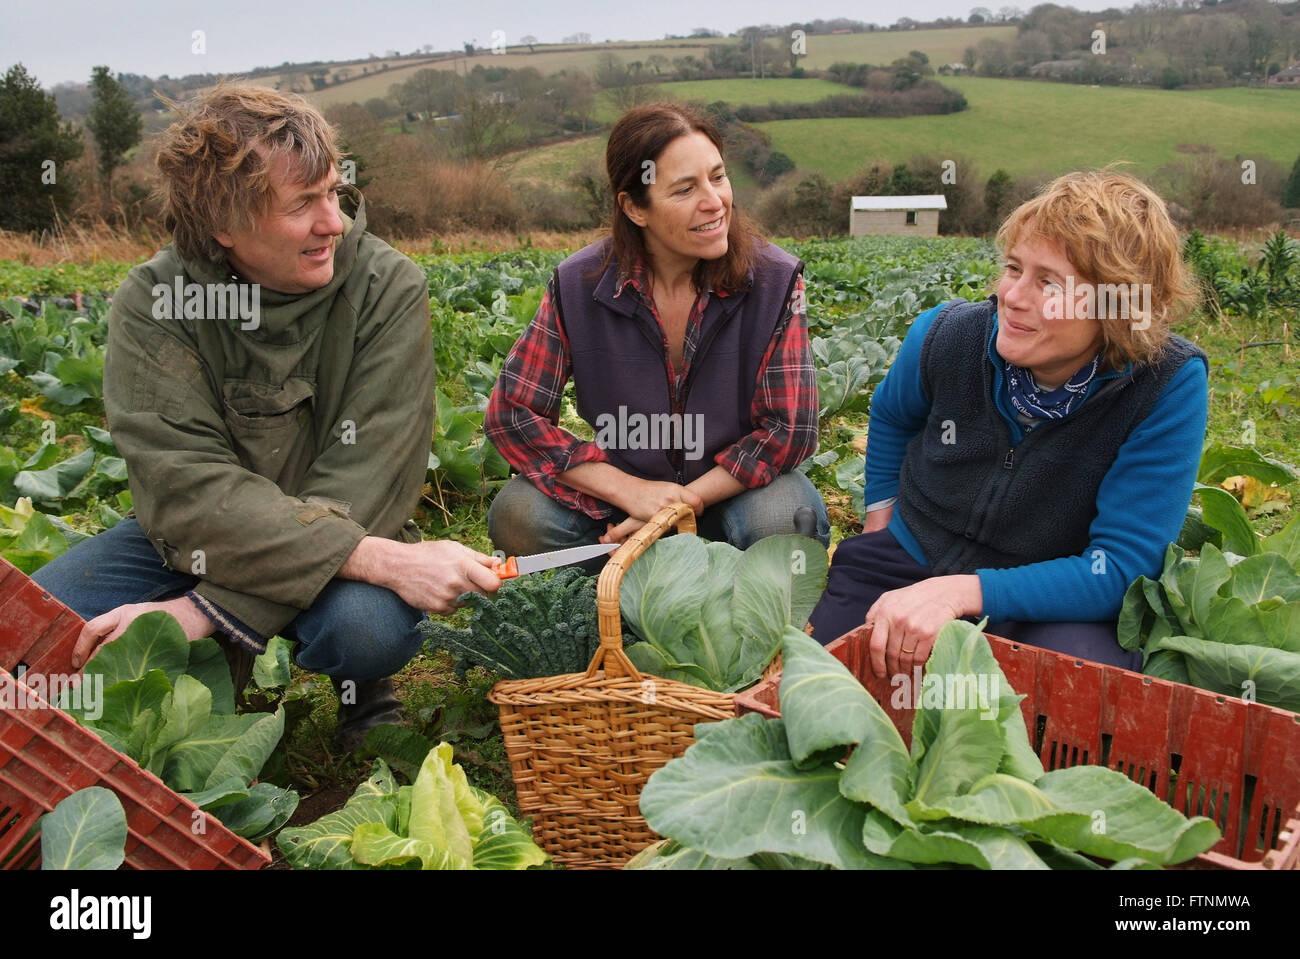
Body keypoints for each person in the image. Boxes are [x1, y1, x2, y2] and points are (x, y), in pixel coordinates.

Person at [32, 84, 502, 750]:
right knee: (31, 633)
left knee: (365, 629)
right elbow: (185, 489)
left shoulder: (387, 287)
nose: (333, 222)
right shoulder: (156, 301)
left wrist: (202, 613)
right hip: (200, 540)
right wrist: (207, 596)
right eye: (302, 204)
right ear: (225, 226)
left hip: (349, 530)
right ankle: (217, 683)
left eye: (333, 193)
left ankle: (362, 694)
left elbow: (368, 478)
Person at [807, 170, 1208, 678]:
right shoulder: (947, 336)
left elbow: (1121, 567)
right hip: (911, 556)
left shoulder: (1164, 385)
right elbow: (891, 415)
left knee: (1077, 686)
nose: (1013, 297)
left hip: (1047, 597)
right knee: (822, 682)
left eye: (1048, 283)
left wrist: (960, 593)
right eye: (1014, 268)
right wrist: (880, 518)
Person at [485, 102, 829, 562]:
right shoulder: (578, 283)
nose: (714, 201)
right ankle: (622, 597)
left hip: (736, 489)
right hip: (623, 493)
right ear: (634, 208)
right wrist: (629, 490)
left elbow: (791, 429)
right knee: (519, 515)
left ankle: (705, 579)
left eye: (718, 176)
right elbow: (512, 412)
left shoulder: (775, 281)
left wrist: (679, 504)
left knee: (785, 521)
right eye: (685, 189)